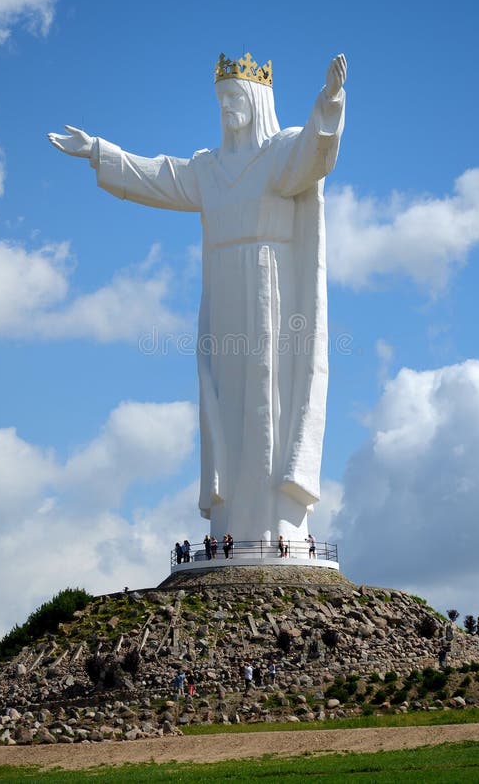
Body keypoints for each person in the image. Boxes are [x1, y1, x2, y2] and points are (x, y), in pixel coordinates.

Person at [48, 51, 346, 544]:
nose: (226, 107)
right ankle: (232, 526)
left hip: (271, 289)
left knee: (268, 400)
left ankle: (277, 528)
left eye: (234, 98)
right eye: (220, 100)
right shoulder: (207, 169)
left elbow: (314, 154)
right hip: (225, 292)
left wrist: (329, 102)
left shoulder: (280, 152)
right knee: (228, 403)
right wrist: (99, 150)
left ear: (255, 99)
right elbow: (156, 176)